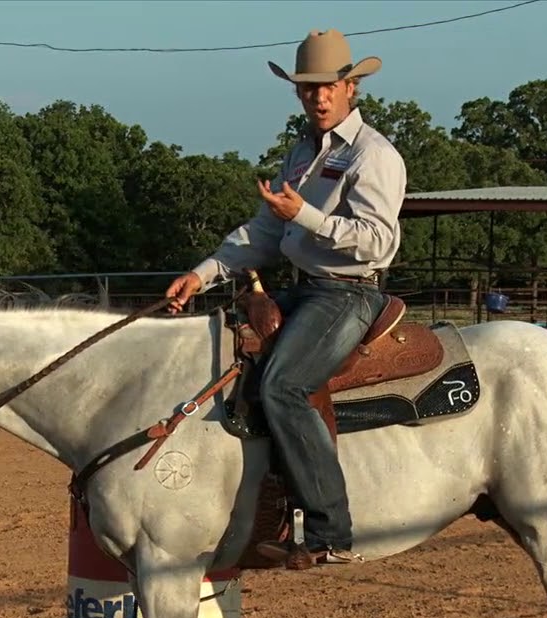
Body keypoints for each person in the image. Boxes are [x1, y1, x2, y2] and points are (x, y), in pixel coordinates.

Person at [165, 28, 407, 565]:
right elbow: (263, 234)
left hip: (347, 294)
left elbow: (379, 240)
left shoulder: (374, 155)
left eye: (328, 86)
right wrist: (202, 274)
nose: (317, 97)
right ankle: (253, 508)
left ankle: (330, 532)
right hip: (304, 288)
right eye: (306, 88)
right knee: (226, 358)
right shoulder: (302, 153)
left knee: (282, 386)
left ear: (351, 87)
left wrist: (306, 215)